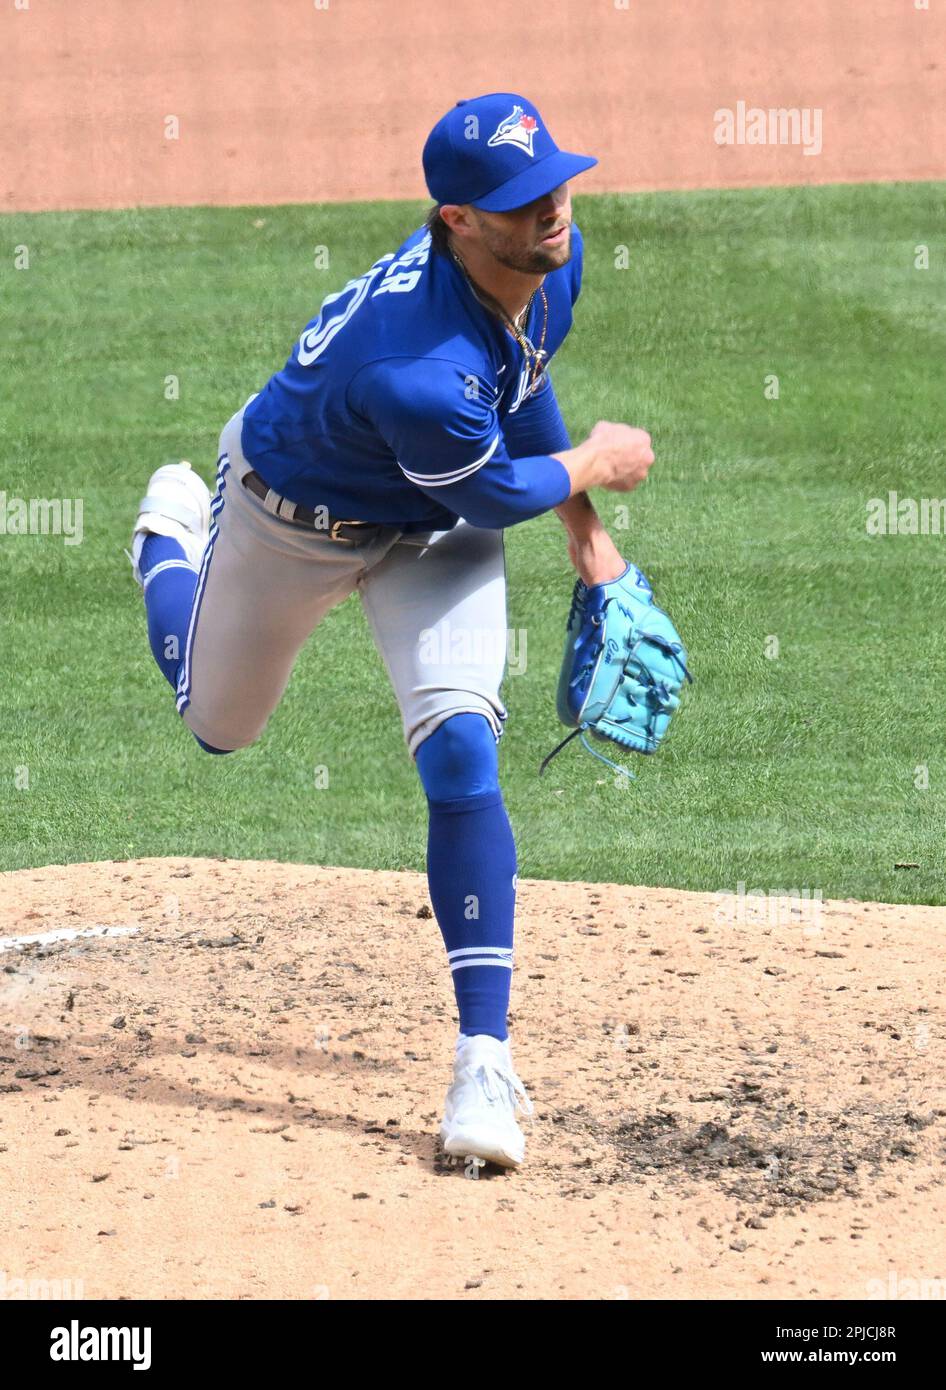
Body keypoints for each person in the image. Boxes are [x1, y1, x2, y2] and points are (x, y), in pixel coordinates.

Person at [128, 93, 655, 1168]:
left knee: (463, 748)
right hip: (291, 518)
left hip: (430, 522)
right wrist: (594, 464)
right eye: (519, 202)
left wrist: (590, 541)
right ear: (457, 219)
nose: (552, 209)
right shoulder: (412, 365)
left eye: (554, 180)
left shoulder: (555, 260)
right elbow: (496, 482)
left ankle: (482, 1063)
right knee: (219, 726)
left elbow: (522, 393)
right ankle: (168, 540)